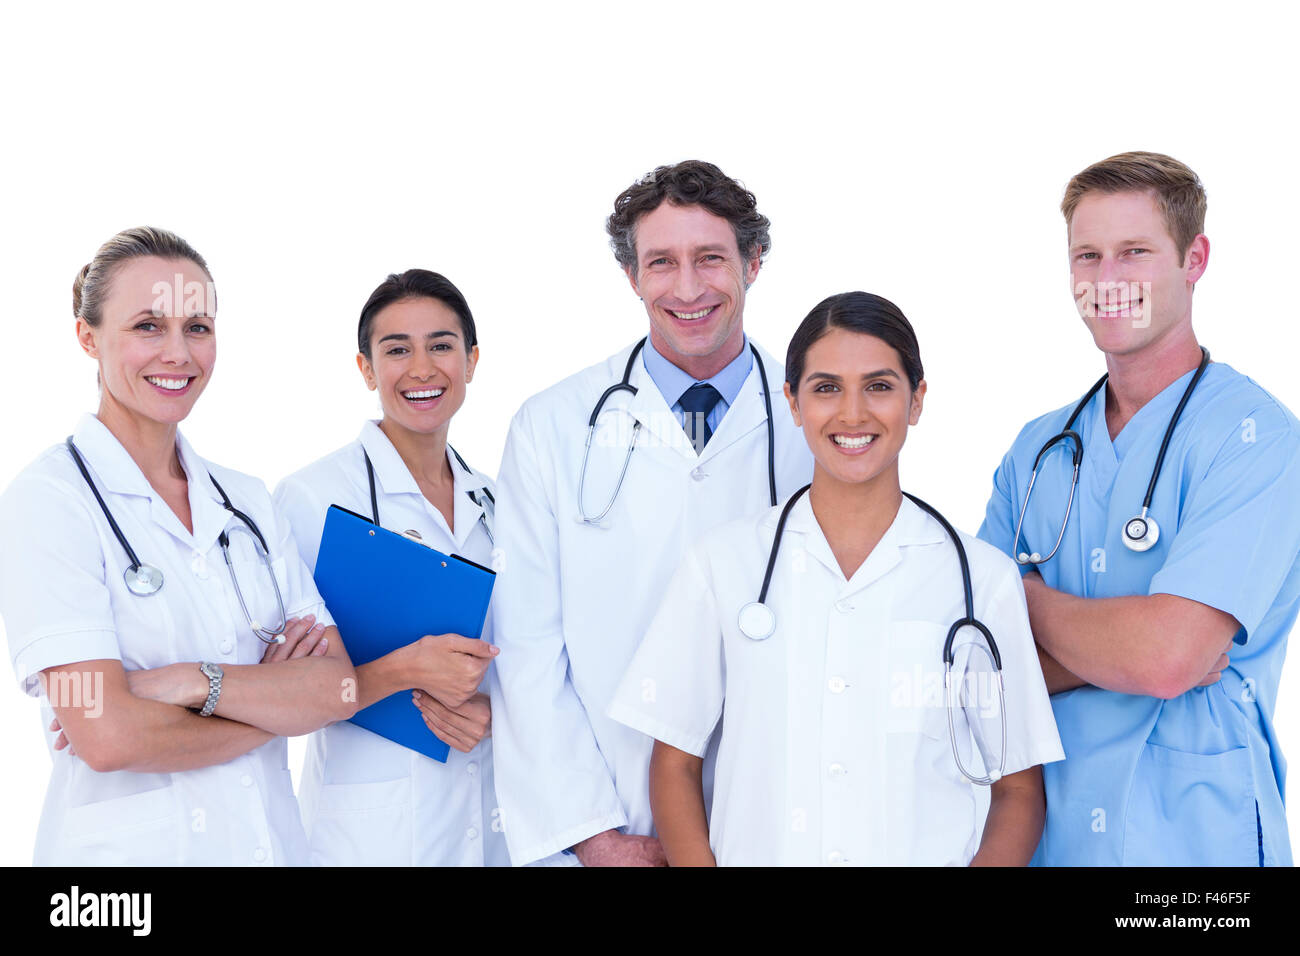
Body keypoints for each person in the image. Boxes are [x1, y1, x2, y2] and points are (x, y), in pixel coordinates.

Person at [608, 291, 1063, 865]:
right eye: (826, 388)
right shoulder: (724, 565)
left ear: (916, 400)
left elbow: (1018, 789)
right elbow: (674, 762)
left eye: (879, 386)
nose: (852, 414)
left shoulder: (982, 579)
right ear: (793, 402)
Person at [978, 151, 1300, 866]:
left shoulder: (1258, 440)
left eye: (1135, 253)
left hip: (1192, 852)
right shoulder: (1039, 450)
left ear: (1195, 260)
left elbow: (1165, 659)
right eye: (1087, 256)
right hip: (1045, 836)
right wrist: (1127, 645)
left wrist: (1023, 599)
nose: (1107, 281)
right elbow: (975, 671)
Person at [491, 160, 814, 866]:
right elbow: (526, 646)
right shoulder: (552, 426)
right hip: (604, 828)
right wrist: (591, 834)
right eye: (662, 263)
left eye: (711, 259)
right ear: (632, 277)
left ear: (754, 262)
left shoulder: (817, 421)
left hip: (770, 827)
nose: (689, 288)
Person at [0, 227, 357, 865]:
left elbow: (335, 690)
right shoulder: (50, 501)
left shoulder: (247, 502)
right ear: (88, 338)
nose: (178, 353)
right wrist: (274, 702)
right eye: (147, 326)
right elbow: (106, 734)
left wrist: (191, 682)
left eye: (197, 327)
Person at [273, 269, 507, 866]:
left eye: (442, 345)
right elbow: (270, 685)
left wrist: (494, 714)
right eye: (396, 349)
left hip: (488, 821)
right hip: (366, 836)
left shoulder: (501, 504)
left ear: (472, 360)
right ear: (366, 369)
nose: (422, 368)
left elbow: (528, 659)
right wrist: (406, 669)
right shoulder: (313, 497)